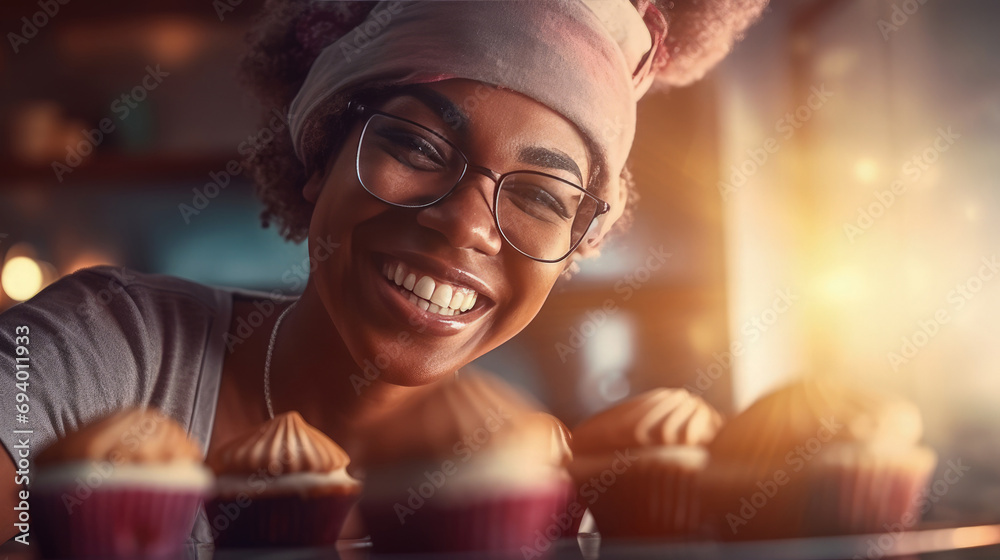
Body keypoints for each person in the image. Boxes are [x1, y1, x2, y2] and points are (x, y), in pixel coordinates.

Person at [0, 0, 767, 545]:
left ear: (574, 247)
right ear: (320, 155)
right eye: (418, 147)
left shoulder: (572, 495)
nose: (465, 224)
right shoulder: (98, 349)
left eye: (539, 195)